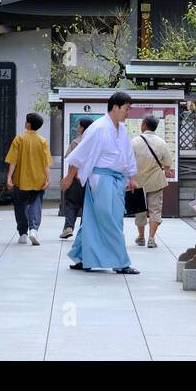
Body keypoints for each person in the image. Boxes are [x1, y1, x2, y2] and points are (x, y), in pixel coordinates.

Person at [59, 91, 139, 274]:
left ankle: (81, 256)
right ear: (116, 107)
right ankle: (120, 262)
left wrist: (132, 177)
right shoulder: (98, 128)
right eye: (127, 109)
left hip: (116, 180)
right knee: (109, 219)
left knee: (95, 219)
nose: (128, 112)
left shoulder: (122, 129)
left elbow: (128, 155)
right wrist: (69, 177)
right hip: (101, 180)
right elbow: (79, 156)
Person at [5, 112, 51, 245]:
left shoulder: (19, 139)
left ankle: (23, 233)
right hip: (38, 179)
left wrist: (9, 177)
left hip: (21, 180)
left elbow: (12, 160)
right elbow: (45, 163)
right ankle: (34, 230)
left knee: (20, 206)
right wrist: (48, 179)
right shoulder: (43, 141)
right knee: (36, 205)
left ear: (28, 124)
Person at [132, 116, 175, 248]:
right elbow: (168, 166)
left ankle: (141, 237)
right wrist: (166, 171)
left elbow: (128, 163)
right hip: (156, 181)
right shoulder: (161, 143)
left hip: (138, 182)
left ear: (144, 125)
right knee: (155, 210)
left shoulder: (134, 142)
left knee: (140, 209)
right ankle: (151, 238)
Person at [60, 116, 94, 239]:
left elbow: (72, 162)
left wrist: (69, 178)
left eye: (79, 126)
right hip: (91, 179)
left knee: (71, 203)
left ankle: (68, 227)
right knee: (87, 205)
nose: (77, 128)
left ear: (83, 128)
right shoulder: (96, 142)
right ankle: (83, 230)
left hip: (76, 178)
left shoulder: (76, 142)